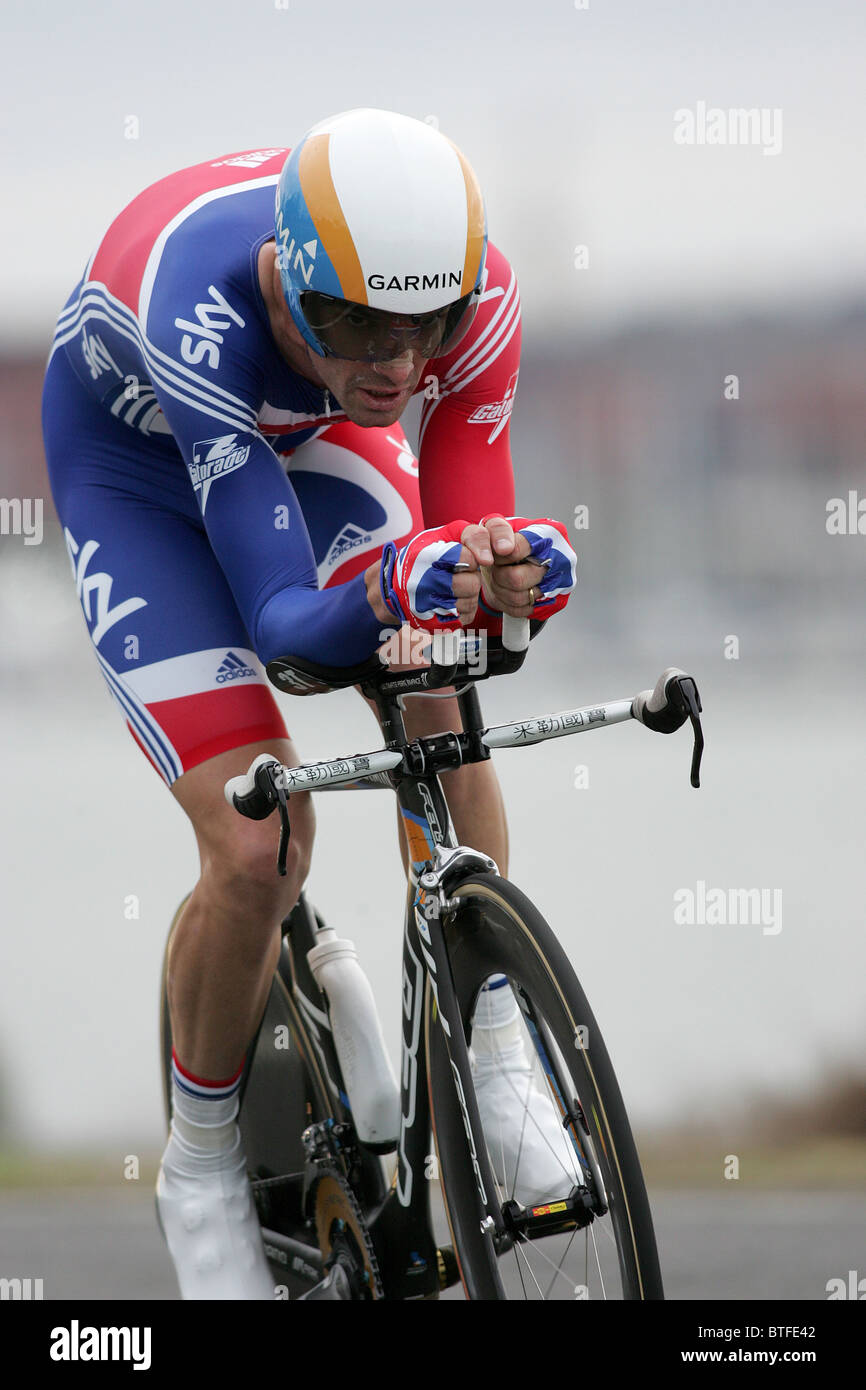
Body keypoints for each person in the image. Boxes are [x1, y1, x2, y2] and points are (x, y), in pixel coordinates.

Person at [42, 107, 578, 1299]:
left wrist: (507, 574)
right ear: (286, 280)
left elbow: (468, 514)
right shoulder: (200, 296)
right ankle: (197, 1163)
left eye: (420, 330)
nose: (396, 363)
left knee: (437, 674)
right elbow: (284, 622)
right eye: (355, 326)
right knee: (256, 838)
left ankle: (497, 1052)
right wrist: (396, 577)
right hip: (143, 475)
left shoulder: (477, 296)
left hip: (308, 440)